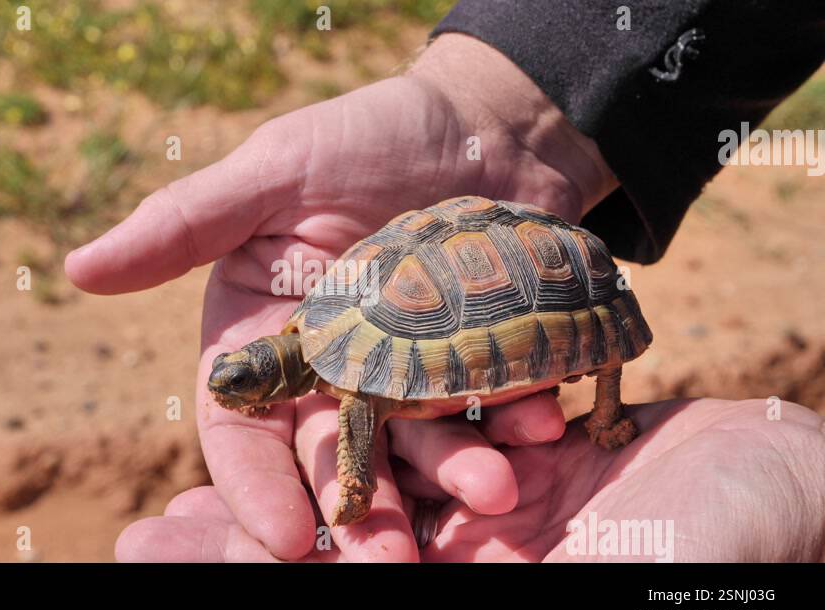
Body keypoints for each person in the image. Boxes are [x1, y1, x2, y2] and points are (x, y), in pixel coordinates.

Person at [64, 2, 825, 562]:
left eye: (239, 383)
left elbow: (360, 397)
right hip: (462, 286)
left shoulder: (339, 357)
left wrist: (352, 489)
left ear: (278, 378)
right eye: (240, 382)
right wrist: (495, 103)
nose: (231, 388)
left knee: (380, 396)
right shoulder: (324, 317)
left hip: (538, 279)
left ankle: (604, 412)